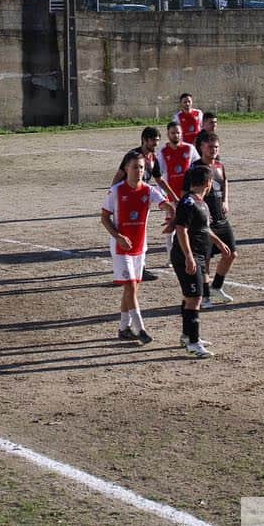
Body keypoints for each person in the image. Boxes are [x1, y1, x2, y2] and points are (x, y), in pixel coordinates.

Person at [101, 153, 175, 344]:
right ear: (126, 169)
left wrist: (171, 213)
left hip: (140, 247)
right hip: (120, 247)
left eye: (142, 167)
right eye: (135, 167)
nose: (139, 171)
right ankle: (140, 329)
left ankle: (123, 328)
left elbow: (166, 204)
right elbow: (104, 218)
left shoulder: (148, 190)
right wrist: (118, 236)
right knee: (131, 287)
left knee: (132, 290)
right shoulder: (116, 191)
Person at [170, 164, 232, 358]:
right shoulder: (188, 202)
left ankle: (188, 336)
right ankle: (194, 343)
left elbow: (204, 229)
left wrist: (219, 243)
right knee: (195, 298)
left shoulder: (201, 203)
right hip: (187, 256)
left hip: (197, 255)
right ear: (208, 182)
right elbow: (181, 229)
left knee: (190, 296)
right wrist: (188, 255)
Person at [111, 126, 179, 280]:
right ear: (144, 140)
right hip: (126, 198)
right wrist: (113, 194)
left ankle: (139, 267)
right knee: (126, 229)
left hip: (141, 198)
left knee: (139, 230)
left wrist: (173, 196)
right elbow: (119, 175)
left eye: (157, 141)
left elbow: (159, 179)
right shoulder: (132, 156)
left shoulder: (153, 158)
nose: (155, 145)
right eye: (153, 142)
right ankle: (128, 265)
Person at [197, 134, 238, 307]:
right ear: (201, 148)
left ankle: (216, 287)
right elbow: (188, 193)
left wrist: (225, 201)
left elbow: (225, 181)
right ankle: (204, 297)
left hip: (221, 219)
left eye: (216, 147)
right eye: (210, 147)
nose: (213, 150)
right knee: (205, 259)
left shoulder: (219, 165)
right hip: (206, 222)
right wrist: (202, 212)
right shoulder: (196, 168)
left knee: (231, 253)